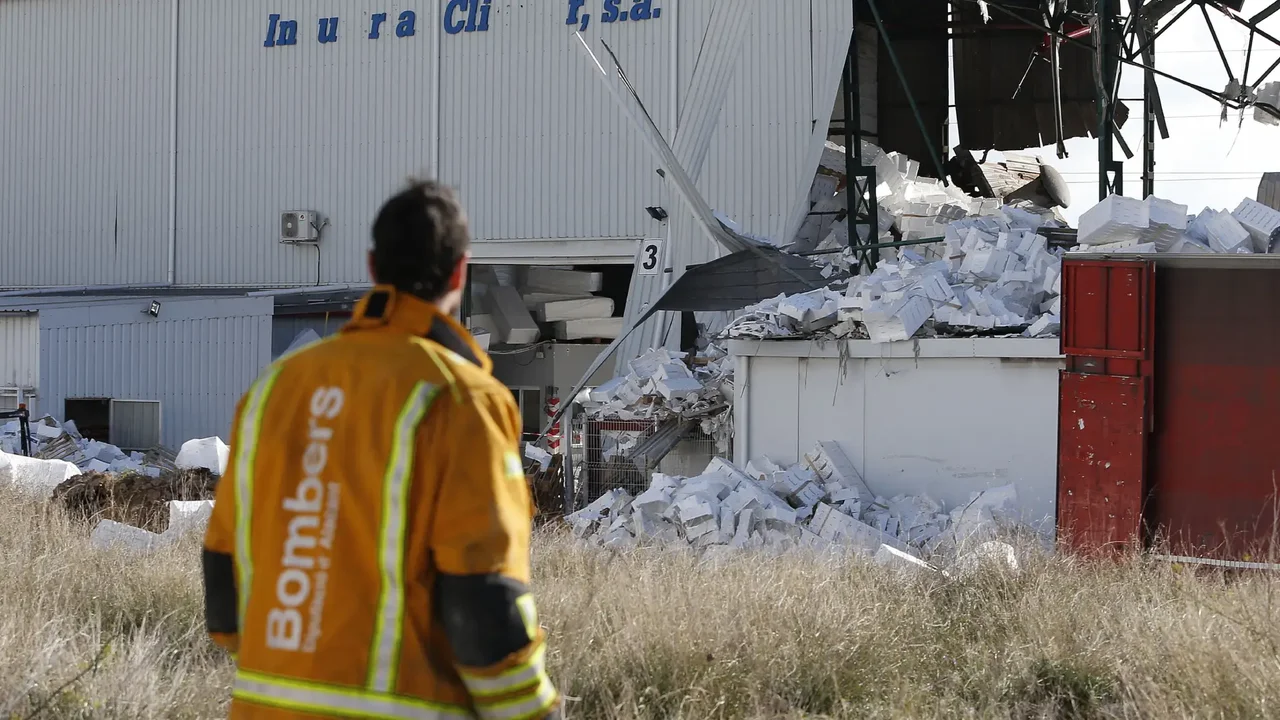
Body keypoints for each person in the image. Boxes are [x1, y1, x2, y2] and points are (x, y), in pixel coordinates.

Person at [202, 180, 561, 720]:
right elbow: (482, 593)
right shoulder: (462, 398)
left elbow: (224, 580)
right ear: (459, 273)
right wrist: (533, 710)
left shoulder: (275, 388)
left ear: (373, 267)